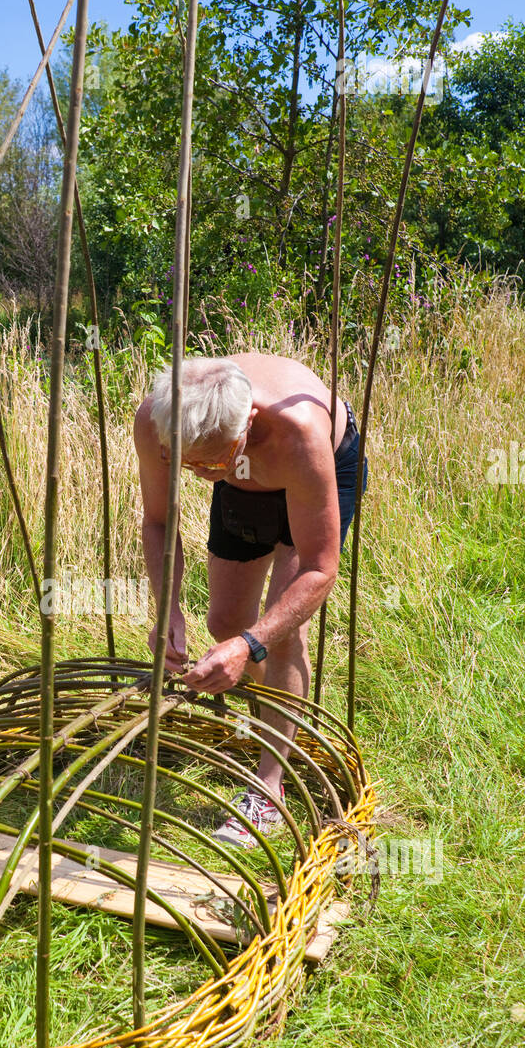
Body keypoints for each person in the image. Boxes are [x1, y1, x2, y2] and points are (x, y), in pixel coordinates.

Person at [134, 353, 368, 848]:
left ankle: (269, 787)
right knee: (226, 620)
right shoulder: (161, 420)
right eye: (187, 463)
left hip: (310, 472)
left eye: (209, 462)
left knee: (280, 637)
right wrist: (167, 609)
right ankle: (282, 716)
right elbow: (159, 521)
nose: (198, 475)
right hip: (245, 479)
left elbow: (319, 569)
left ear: (249, 422)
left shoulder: (298, 432)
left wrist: (251, 645)